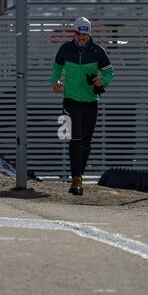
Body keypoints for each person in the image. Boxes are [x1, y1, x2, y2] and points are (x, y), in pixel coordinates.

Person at [51, 16, 114, 196]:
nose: (81, 38)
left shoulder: (97, 51)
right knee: (75, 139)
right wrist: (55, 81)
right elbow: (56, 68)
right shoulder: (65, 49)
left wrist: (104, 81)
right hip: (70, 100)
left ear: (89, 34)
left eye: (85, 35)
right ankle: (76, 178)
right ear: (74, 33)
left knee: (86, 141)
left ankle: (79, 175)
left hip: (91, 101)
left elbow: (110, 72)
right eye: (79, 34)